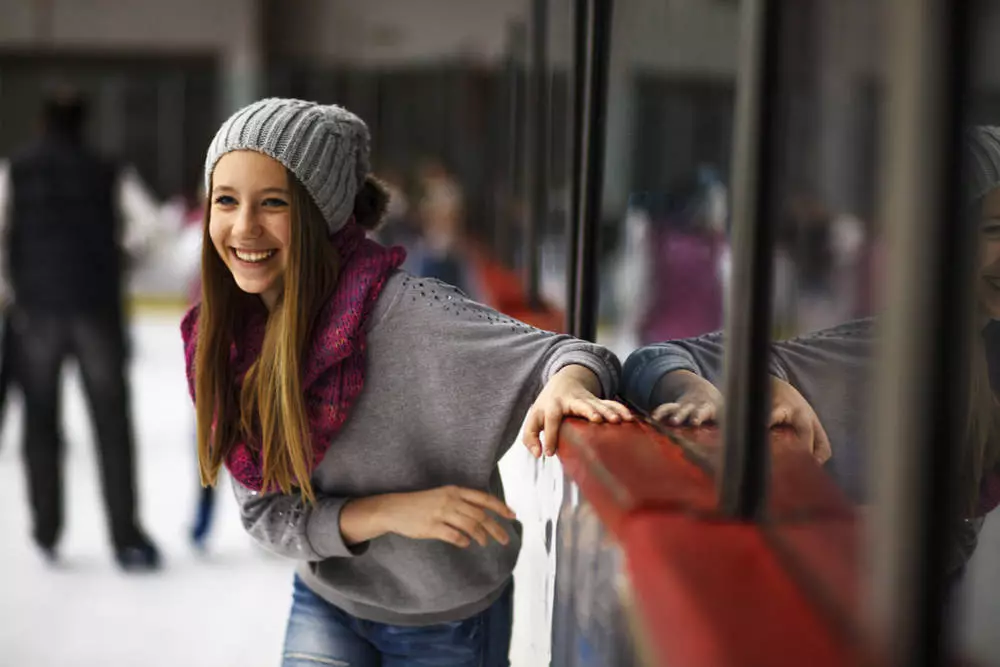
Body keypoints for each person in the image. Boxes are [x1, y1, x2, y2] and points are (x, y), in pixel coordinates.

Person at [181, 98, 631, 666]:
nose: (244, 227)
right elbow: (267, 516)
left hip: (445, 619)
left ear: (323, 215)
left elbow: (573, 354)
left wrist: (570, 379)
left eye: (274, 203)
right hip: (326, 599)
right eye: (226, 200)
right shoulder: (230, 342)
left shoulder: (411, 316)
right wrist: (393, 511)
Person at [620, 125, 1000, 582]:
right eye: (995, 229)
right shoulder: (884, 356)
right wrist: (717, 387)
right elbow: (649, 359)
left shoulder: (979, 359)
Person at [0, 89, 161, 570]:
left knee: (40, 424)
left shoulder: (17, 169)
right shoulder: (107, 169)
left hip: (37, 314)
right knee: (112, 425)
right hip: (97, 309)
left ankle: (46, 529)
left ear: (42, 123)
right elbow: (153, 227)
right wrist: (121, 261)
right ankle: (125, 534)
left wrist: (12, 289)